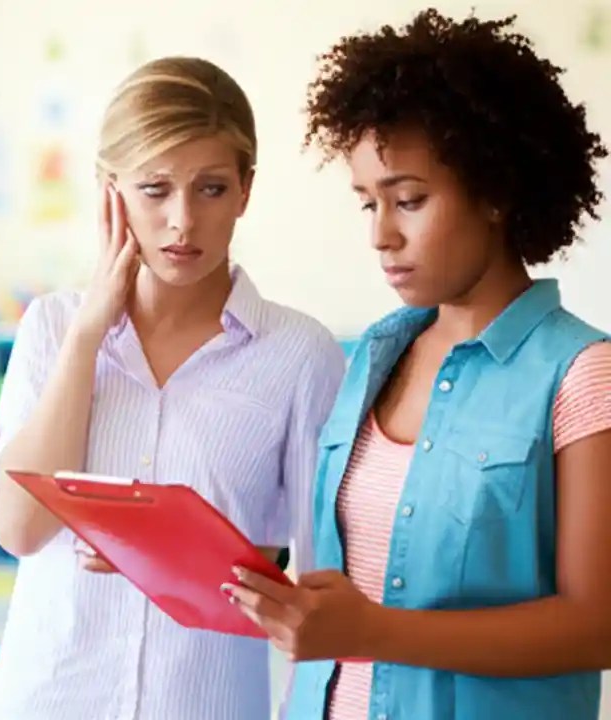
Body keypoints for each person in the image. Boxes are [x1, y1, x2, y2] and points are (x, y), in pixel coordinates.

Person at [225, 10, 611, 720]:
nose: (381, 234)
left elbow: (597, 625)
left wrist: (375, 632)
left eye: (409, 200)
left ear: (496, 191)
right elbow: (345, 562)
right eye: (367, 203)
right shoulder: (374, 356)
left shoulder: (582, 374)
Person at [0, 56, 345, 720]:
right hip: (49, 696)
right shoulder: (53, 329)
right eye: (154, 189)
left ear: (246, 190)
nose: (182, 221)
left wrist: (185, 562)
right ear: (109, 192)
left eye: (211, 189)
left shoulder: (300, 356)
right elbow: (20, 529)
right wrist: (87, 337)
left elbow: (317, 590)